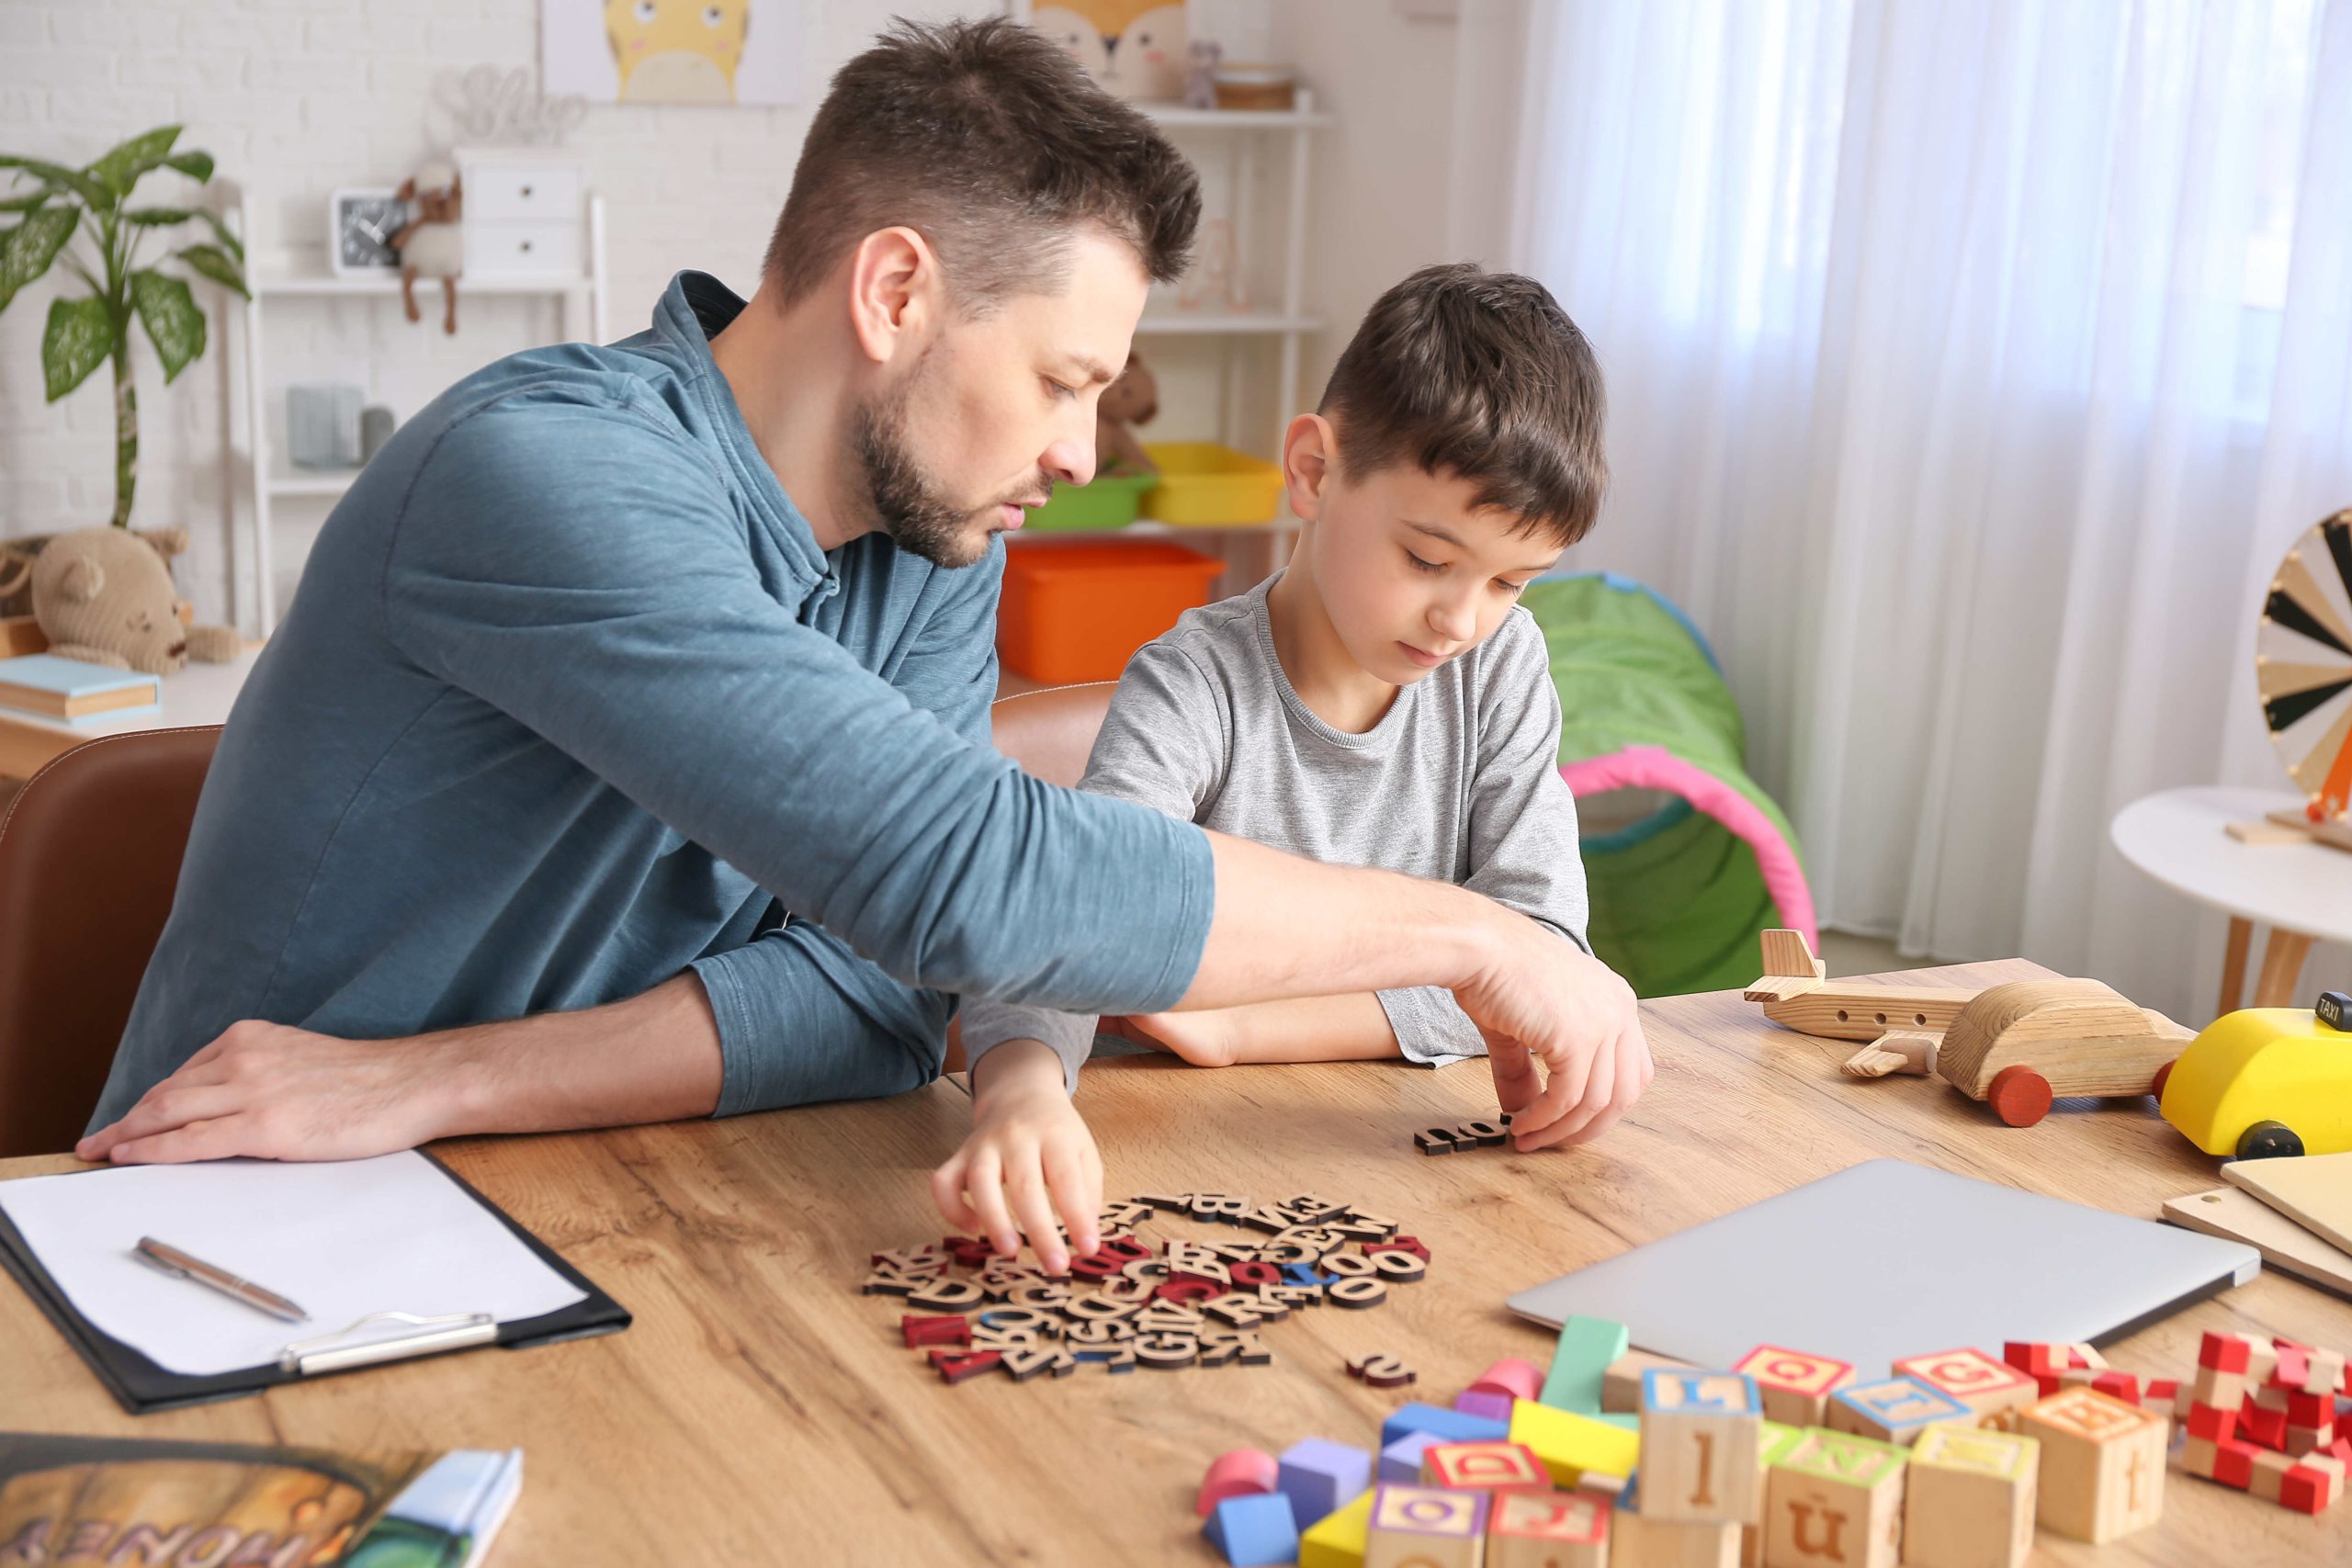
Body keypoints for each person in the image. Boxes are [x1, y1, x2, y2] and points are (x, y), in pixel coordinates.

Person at [78, 20, 1645, 1274]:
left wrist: (440, 1074)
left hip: (556, 1182)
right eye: (1060, 379)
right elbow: (982, 880)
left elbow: (886, 992)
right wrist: (1481, 934)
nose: (1085, 447)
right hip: (235, 1204)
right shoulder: (546, 479)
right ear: (897, 291)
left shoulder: (932, 542)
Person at [956, 264, 1630, 1090]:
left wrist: (1243, 1026)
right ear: (1312, 471)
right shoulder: (1195, 684)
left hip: (1375, 1136)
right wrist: (1022, 1094)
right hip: (1170, 1129)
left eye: (1510, 582)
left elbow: (1543, 955)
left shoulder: (1500, 665)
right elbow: (1064, 924)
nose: (1461, 620)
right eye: (1427, 559)